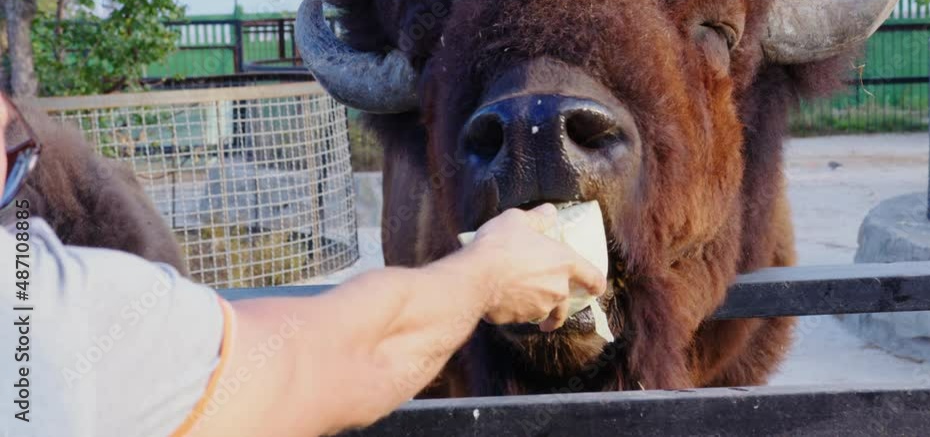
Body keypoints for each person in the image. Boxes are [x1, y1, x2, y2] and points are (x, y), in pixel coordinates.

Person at [0, 94, 606, 437]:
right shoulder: (47, 319)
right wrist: (488, 276)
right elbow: (335, 358)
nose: (18, 160)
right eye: (14, 150)